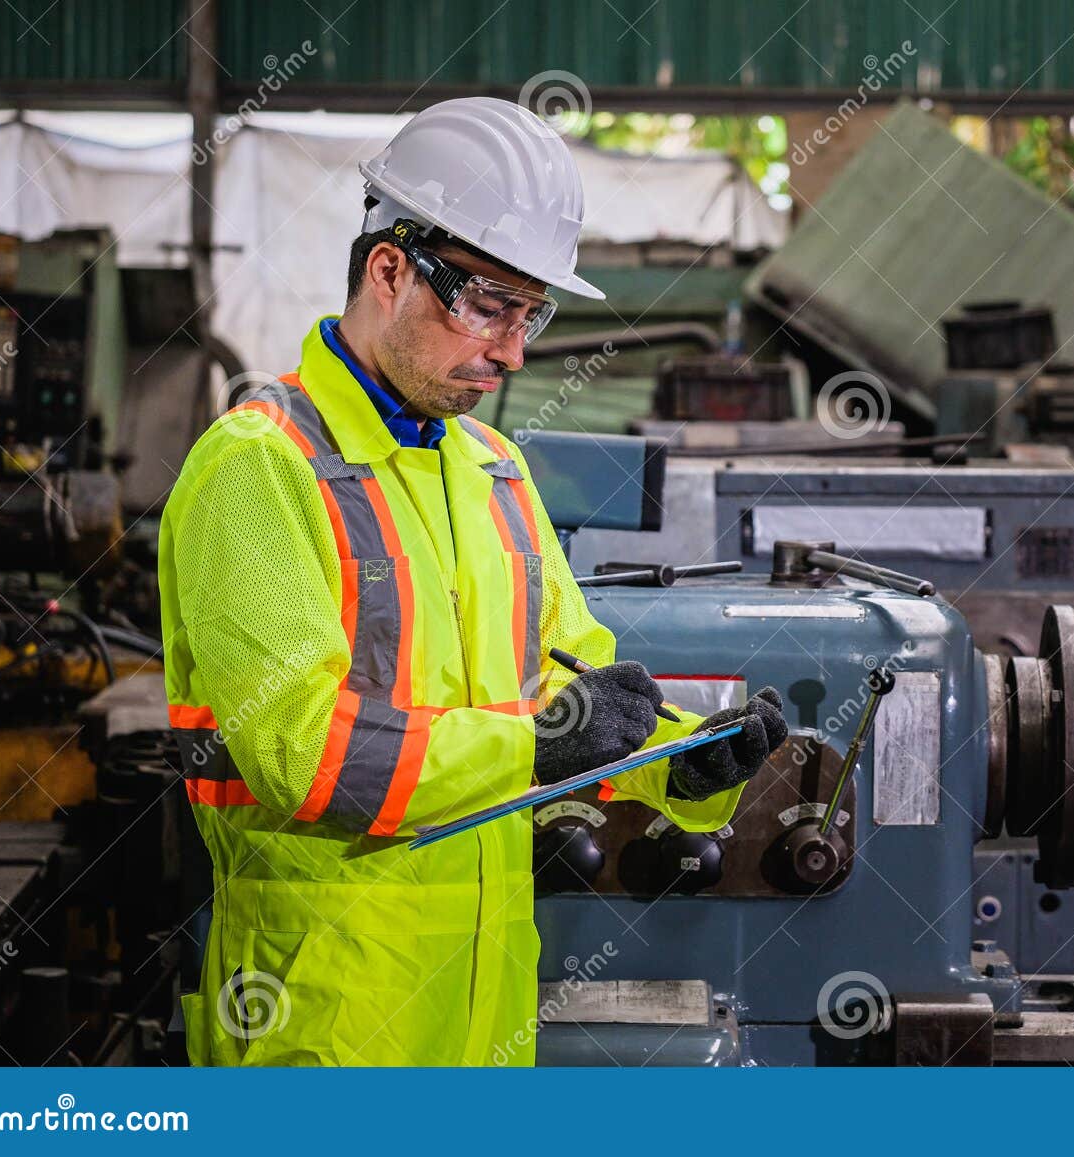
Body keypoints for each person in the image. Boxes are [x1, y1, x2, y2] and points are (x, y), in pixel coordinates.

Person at [159, 97, 788, 1066]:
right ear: (388, 270)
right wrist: (544, 739)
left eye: (531, 311)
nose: (513, 349)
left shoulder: (492, 468)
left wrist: (682, 765)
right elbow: (302, 750)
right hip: (330, 1011)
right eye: (490, 304)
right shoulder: (259, 465)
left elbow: (573, 688)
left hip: (489, 999)